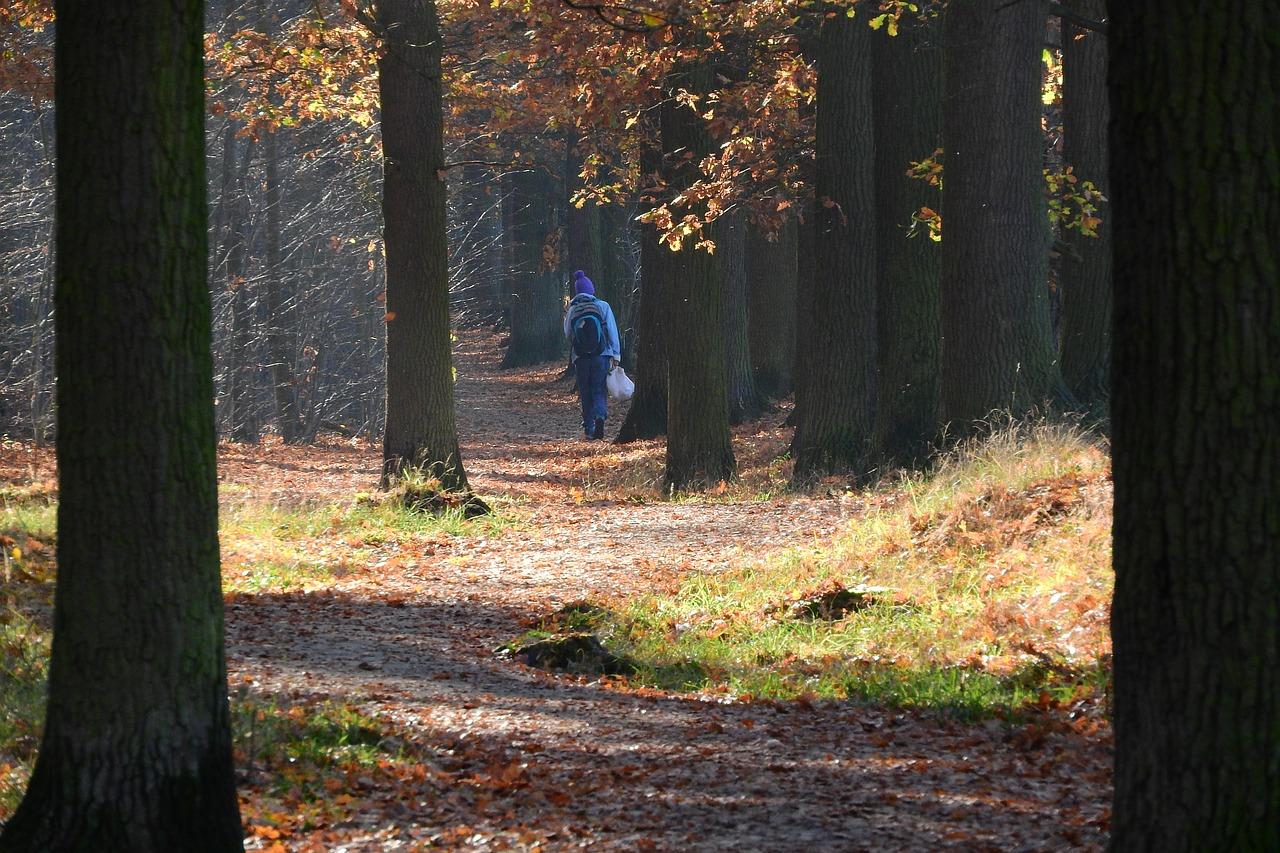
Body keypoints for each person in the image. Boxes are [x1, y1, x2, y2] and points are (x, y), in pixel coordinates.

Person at [564, 270, 621, 440]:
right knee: (599, 389)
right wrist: (616, 354)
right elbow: (612, 330)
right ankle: (600, 416)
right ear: (591, 290)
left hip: (580, 357)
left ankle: (589, 427)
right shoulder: (603, 306)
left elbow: (567, 333)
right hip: (601, 355)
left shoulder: (573, 309)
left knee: (585, 391)